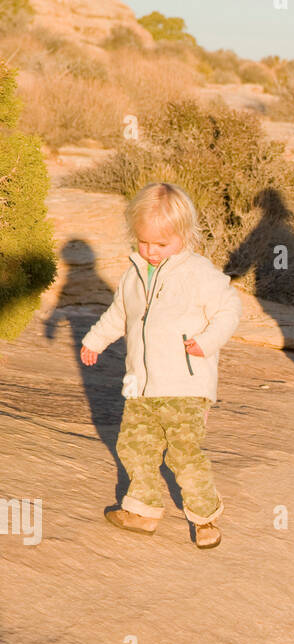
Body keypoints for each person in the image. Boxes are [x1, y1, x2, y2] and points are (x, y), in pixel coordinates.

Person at [80, 182, 242, 549]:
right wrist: (94, 340)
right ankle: (143, 509)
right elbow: (120, 314)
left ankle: (205, 517)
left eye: (162, 244)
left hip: (186, 385)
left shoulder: (198, 273)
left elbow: (230, 308)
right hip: (141, 385)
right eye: (145, 243)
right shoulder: (134, 274)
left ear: (184, 235)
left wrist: (208, 341)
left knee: (184, 453)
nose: (152, 252)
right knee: (135, 446)